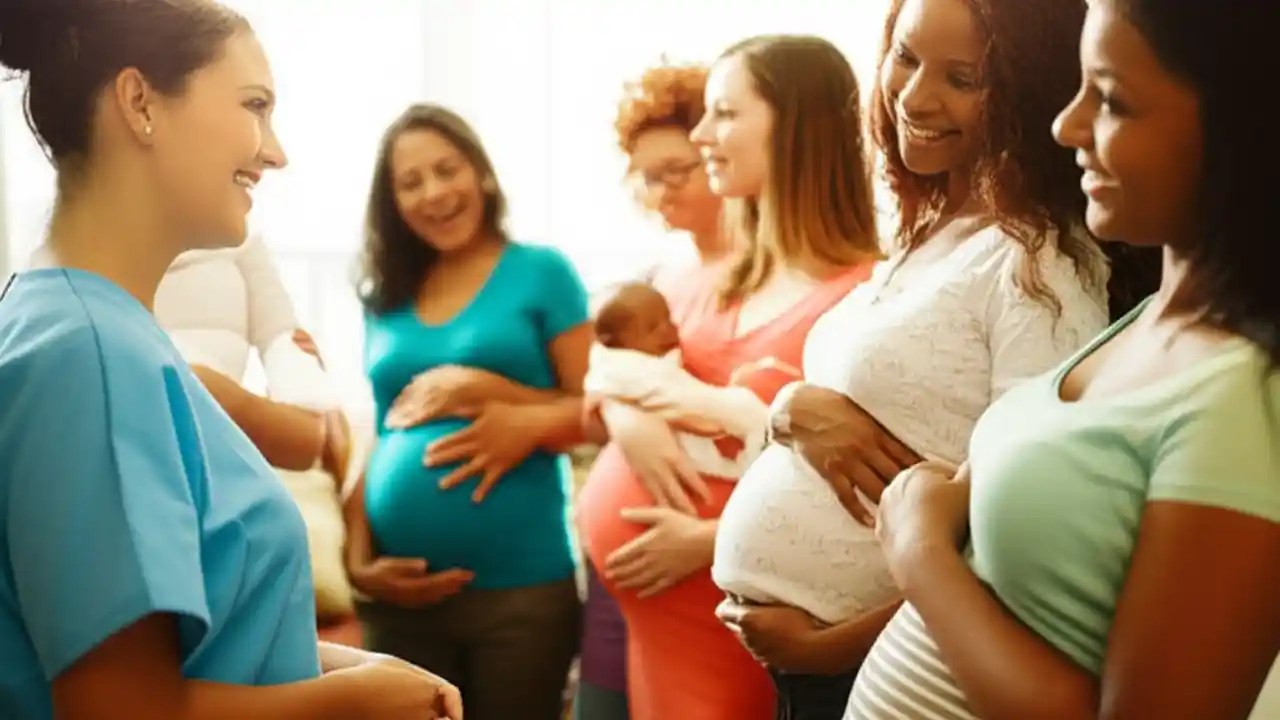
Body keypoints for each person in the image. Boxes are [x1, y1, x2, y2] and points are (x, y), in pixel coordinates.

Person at [0, 1, 460, 719]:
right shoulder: (87, 356)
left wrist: (354, 668)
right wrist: (342, 704)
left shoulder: (95, 331)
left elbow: (201, 645)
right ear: (139, 102)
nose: (276, 152)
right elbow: (117, 708)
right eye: (255, 106)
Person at [848, 1, 1280, 718]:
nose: (1064, 125)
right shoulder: (1153, 323)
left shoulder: (1245, 399)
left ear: (1243, 128)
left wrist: (919, 551)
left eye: (1110, 99)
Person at [712, 2, 1110, 718]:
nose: (916, 97)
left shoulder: (1039, 263)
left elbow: (1021, 538)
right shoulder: (932, 230)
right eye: (905, 57)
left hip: (883, 670)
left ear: (1030, 90)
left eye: (963, 77)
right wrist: (791, 411)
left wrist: (835, 647)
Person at [576, 35, 880, 720]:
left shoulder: (864, 298)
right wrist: (634, 421)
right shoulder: (699, 279)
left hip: (738, 633)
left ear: (794, 125)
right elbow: (611, 372)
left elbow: (869, 498)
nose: (704, 134)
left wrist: (706, 542)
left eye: (724, 114)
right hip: (651, 631)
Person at [346, 103, 590, 720]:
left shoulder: (541, 273)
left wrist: (506, 404)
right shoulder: (386, 293)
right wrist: (357, 558)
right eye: (410, 182)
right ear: (392, 202)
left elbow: (600, 409)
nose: (433, 193)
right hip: (399, 600)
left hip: (519, 596)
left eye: (446, 169)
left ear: (479, 171)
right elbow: (378, 433)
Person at [572, 59, 728, 720]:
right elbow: (593, 391)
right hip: (617, 583)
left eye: (676, 169)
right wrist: (625, 417)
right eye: (647, 176)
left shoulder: (764, 278)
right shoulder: (652, 278)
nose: (660, 190)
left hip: (707, 584)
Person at [587, 282, 790, 478]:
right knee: (746, 412)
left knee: (748, 412)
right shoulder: (620, 367)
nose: (669, 329)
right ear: (613, 343)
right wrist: (622, 412)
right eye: (652, 328)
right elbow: (593, 417)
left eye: (668, 318)